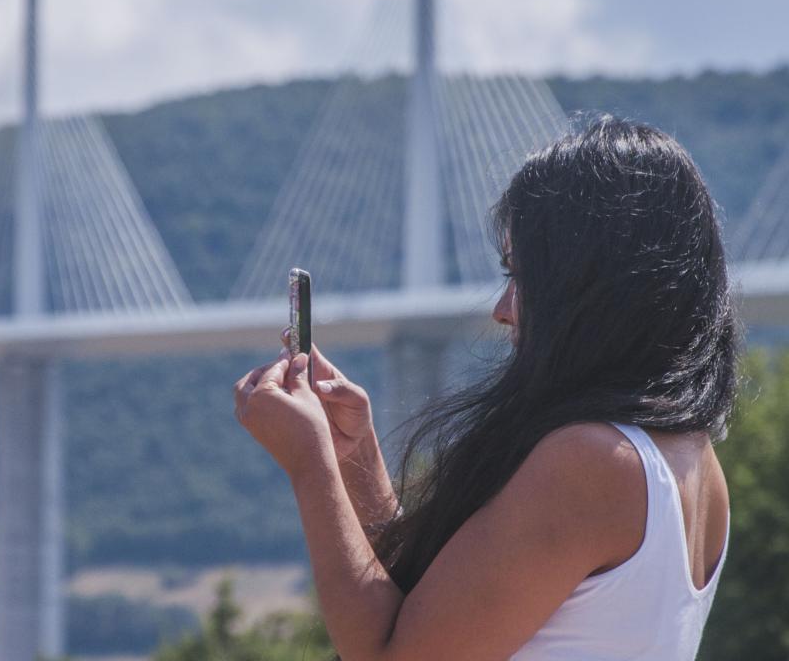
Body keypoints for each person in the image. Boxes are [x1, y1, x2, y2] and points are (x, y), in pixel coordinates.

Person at [234, 117, 741, 660]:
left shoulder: (593, 464)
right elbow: (444, 615)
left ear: (589, 287)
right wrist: (353, 457)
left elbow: (394, 655)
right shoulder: (691, 457)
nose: (502, 310)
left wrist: (311, 464)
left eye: (521, 279)